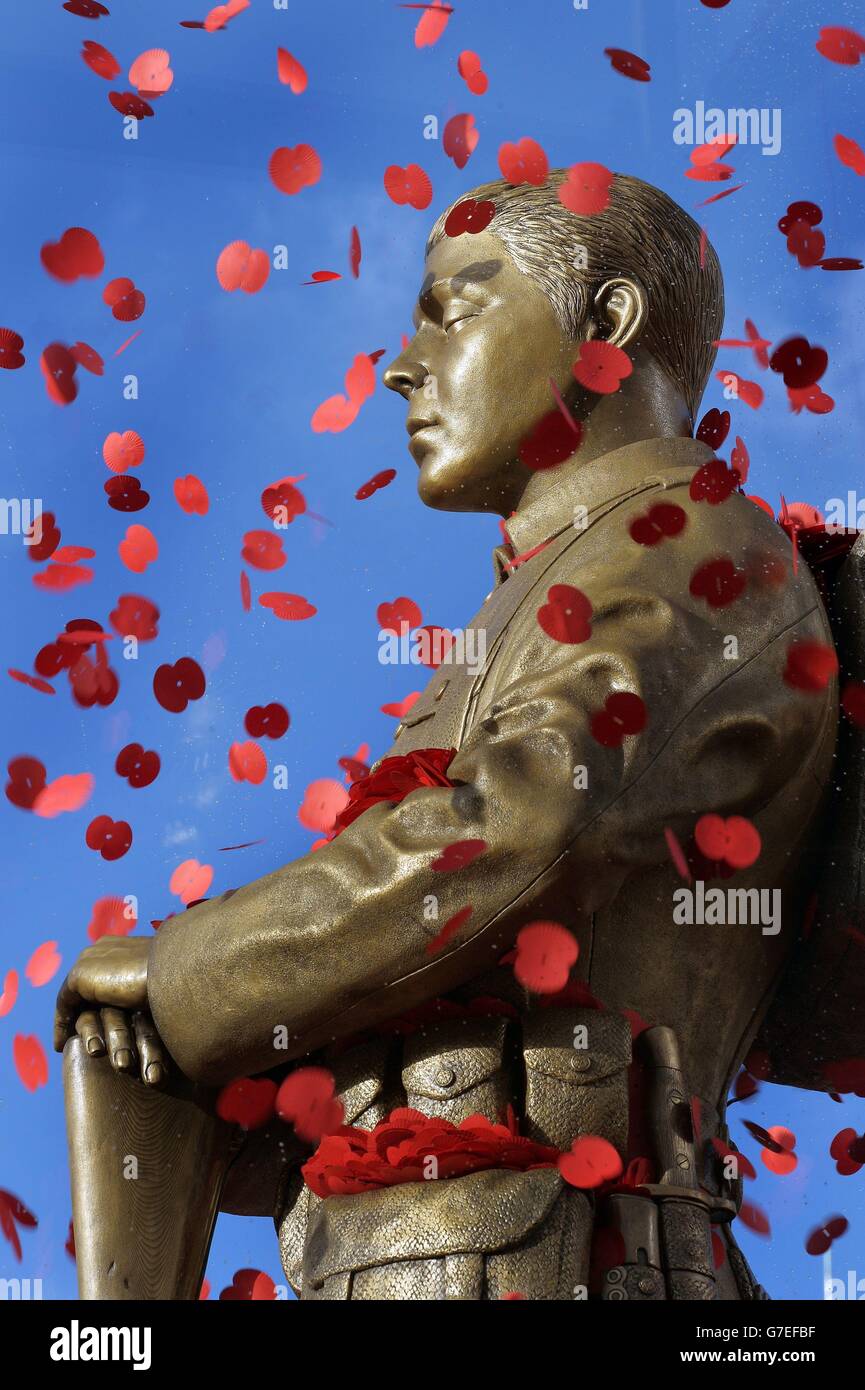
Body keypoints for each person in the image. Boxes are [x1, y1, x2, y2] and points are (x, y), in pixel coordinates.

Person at [55, 171, 837, 1300]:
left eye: (454, 310)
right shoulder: (554, 583)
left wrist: (187, 975)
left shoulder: (690, 545)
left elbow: (528, 828)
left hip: (563, 1258)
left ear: (605, 328)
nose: (400, 365)